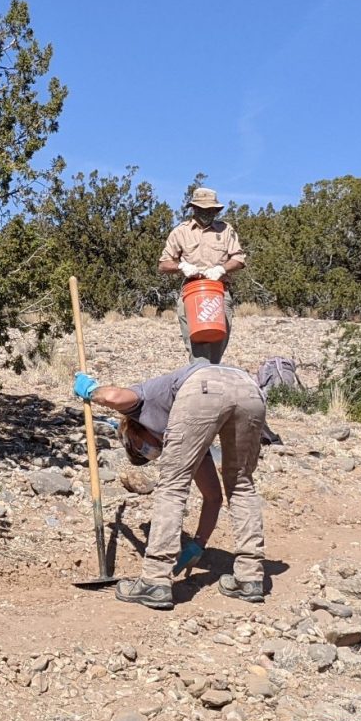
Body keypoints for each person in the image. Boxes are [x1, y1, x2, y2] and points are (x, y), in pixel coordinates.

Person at [73, 361, 268, 609]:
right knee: (240, 483)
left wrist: (91, 390)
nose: (151, 453)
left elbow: (113, 396)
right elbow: (213, 497)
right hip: (250, 391)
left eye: (141, 448)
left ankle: (154, 580)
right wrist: (198, 544)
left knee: (172, 486)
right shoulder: (188, 430)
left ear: (132, 430)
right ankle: (249, 578)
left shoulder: (143, 405)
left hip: (204, 388)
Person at [158, 187, 247, 363]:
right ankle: (199, 376)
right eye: (202, 209)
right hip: (191, 294)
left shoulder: (225, 230)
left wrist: (221, 269)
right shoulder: (180, 232)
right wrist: (181, 266)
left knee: (216, 348)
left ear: (216, 210)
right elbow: (163, 264)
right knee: (197, 352)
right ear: (194, 208)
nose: (207, 213)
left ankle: (212, 375)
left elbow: (239, 259)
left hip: (219, 293)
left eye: (211, 209)